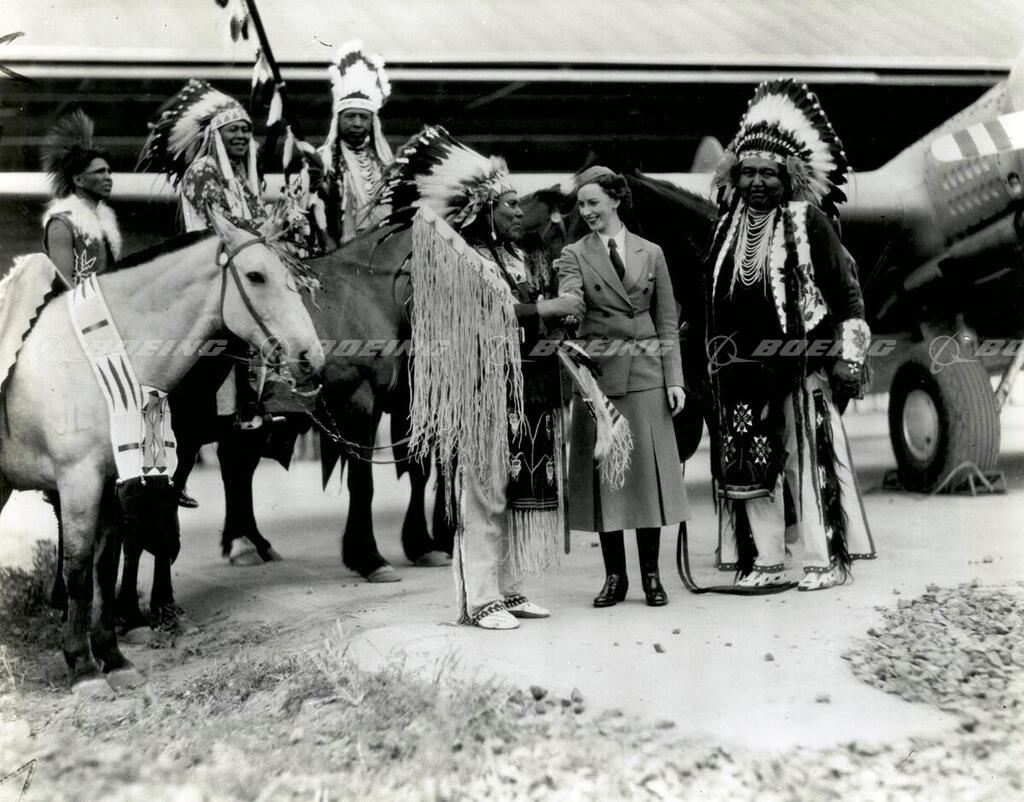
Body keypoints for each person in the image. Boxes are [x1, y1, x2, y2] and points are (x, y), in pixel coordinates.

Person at [378, 126, 582, 629]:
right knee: (485, 492)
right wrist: (546, 306)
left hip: (530, 388)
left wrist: (562, 317)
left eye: (518, 204)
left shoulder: (526, 255)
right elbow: (483, 314)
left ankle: (507, 590)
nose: (519, 211)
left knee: (517, 492)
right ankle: (479, 600)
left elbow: (535, 309)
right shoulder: (461, 260)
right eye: (508, 204)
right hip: (484, 392)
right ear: (482, 212)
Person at [706, 79, 875, 591]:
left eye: (768, 173)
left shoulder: (809, 222)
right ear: (735, 176)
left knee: (811, 459)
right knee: (751, 466)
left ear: (789, 175)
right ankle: (768, 560)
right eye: (748, 172)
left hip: (806, 364)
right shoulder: (727, 227)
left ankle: (825, 561)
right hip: (744, 373)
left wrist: (849, 357)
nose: (756, 182)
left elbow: (848, 297)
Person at [556, 166, 688, 608]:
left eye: (594, 202)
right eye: (581, 205)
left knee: (645, 480)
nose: (587, 211)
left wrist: (675, 379)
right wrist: (569, 311)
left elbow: (667, 320)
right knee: (607, 484)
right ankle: (616, 579)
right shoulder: (573, 254)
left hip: (649, 375)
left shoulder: (651, 252)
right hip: (600, 380)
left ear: (615, 200)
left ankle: (651, 575)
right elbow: (571, 295)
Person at [138, 80, 269, 513]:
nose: (240, 136)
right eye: (232, 130)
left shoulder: (248, 179)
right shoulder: (203, 172)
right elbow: (226, 223)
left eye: (246, 130)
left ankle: (256, 406)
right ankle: (181, 458)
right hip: (209, 266)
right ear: (214, 135)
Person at [317, 40, 394, 248]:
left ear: (372, 122)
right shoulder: (323, 159)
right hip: (340, 246)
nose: (357, 123)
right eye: (350, 116)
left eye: (363, 117)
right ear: (338, 121)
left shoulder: (386, 163)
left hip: (382, 244)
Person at [41, 108, 122, 287]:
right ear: (78, 180)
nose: (108, 177)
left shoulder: (104, 220)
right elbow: (64, 285)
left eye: (109, 171)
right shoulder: (62, 223)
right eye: (100, 172)